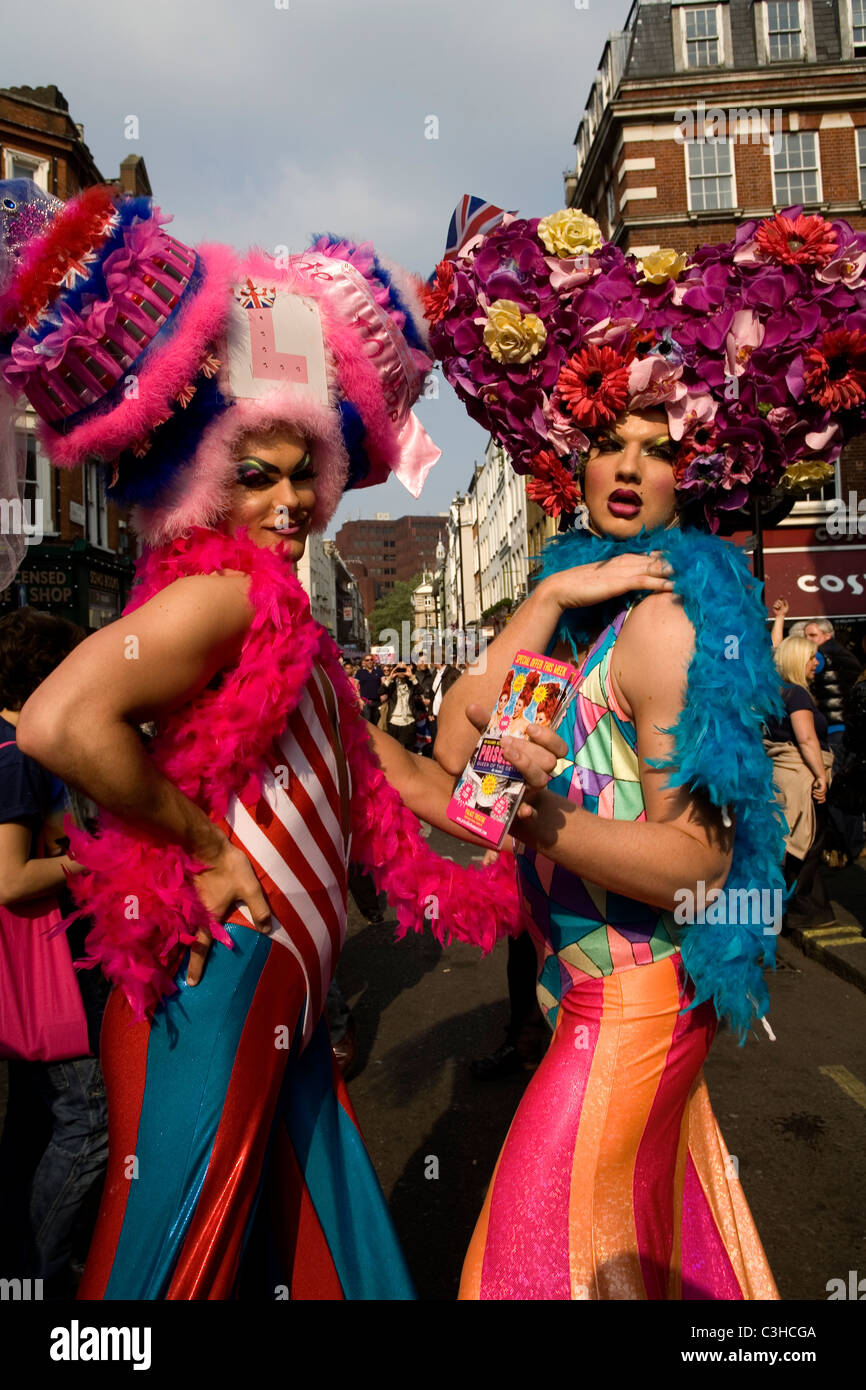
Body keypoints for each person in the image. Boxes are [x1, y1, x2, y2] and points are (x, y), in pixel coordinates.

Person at [3, 180, 553, 1300]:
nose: (291, 498)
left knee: (327, 1248)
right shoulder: (221, 598)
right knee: (166, 1270)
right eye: (256, 474)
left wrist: (543, 807)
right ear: (201, 473)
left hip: (288, 992)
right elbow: (62, 721)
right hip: (220, 980)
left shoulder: (291, 626)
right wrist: (205, 846)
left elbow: (401, 777)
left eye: (303, 469)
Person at [426, 198, 866, 1299]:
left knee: (534, 1270)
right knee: (641, 1249)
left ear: (692, 470)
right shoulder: (587, 608)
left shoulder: (668, 622)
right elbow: (455, 745)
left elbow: (697, 866)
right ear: (567, 466)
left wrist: (544, 821)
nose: (626, 467)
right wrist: (551, 594)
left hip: (629, 1004)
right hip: (580, 1001)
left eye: (655, 448)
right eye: (605, 443)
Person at [0, 607, 108, 1298]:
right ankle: (37, 1271)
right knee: (88, 1122)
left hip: (36, 968)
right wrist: (89, 863)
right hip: (50, 971)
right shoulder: (19, 760)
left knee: (37, 1117)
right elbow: (11, 879)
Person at [764, 637, 834, 925]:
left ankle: (799, 908)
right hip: (799, 776)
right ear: (796, 661)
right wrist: (820, 776)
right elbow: (806, 738)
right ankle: (802, 909)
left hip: (780, 775)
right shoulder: (797, 695)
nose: (816, 663)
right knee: (807, 843)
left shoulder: (773, 693)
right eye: (811, 657)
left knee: (789, 842)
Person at [382, 663, 419, 748]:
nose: (401, 672)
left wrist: (411, 676)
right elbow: (381, 691)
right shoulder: (392, 684)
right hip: (394, 721)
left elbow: (420, 690)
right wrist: (391, 677)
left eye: (403, 669)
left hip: (409, 721)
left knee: (409, 750)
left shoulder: (411, 683)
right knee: (394, 749)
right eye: (399, 670)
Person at [356, 654, 383, 724]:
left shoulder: (379, 671)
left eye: (371, 659)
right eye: (367, 660)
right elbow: (355, 687)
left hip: (377, 702)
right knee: (368, 724)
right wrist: (359, 699)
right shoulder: (360, 672)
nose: (369, 661)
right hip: (365, 702)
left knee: (377, 723)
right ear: (364, 662)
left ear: (373, 661)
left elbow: (383, 684)